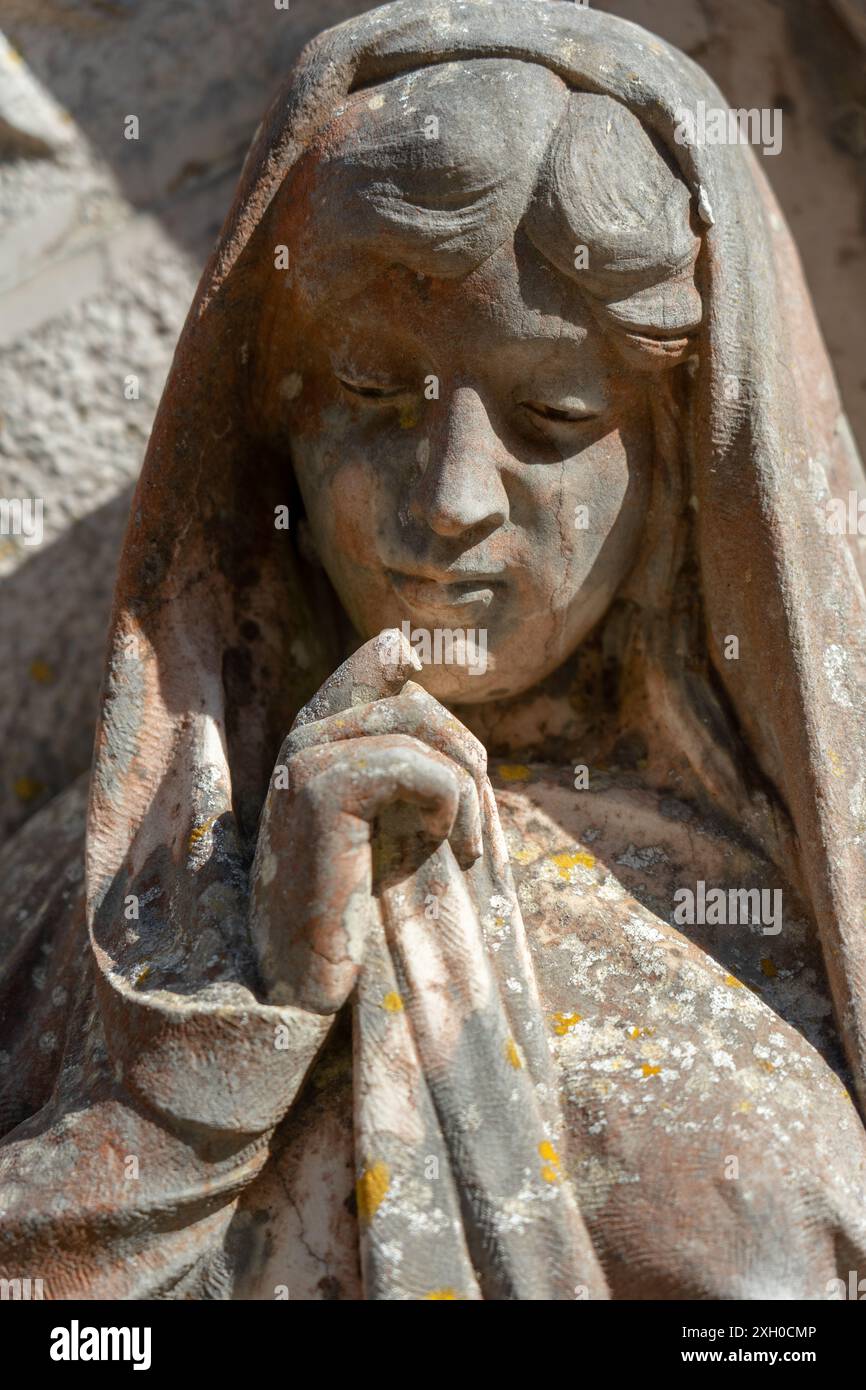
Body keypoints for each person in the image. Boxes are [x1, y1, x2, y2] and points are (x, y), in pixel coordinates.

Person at [2, 0, 866, 1300]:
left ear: (680, 464)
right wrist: (226, 1032)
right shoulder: (100, 912)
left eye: (553, 412)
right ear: (274, 414)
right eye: (367, 390)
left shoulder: (802, 923)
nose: (453, 494)